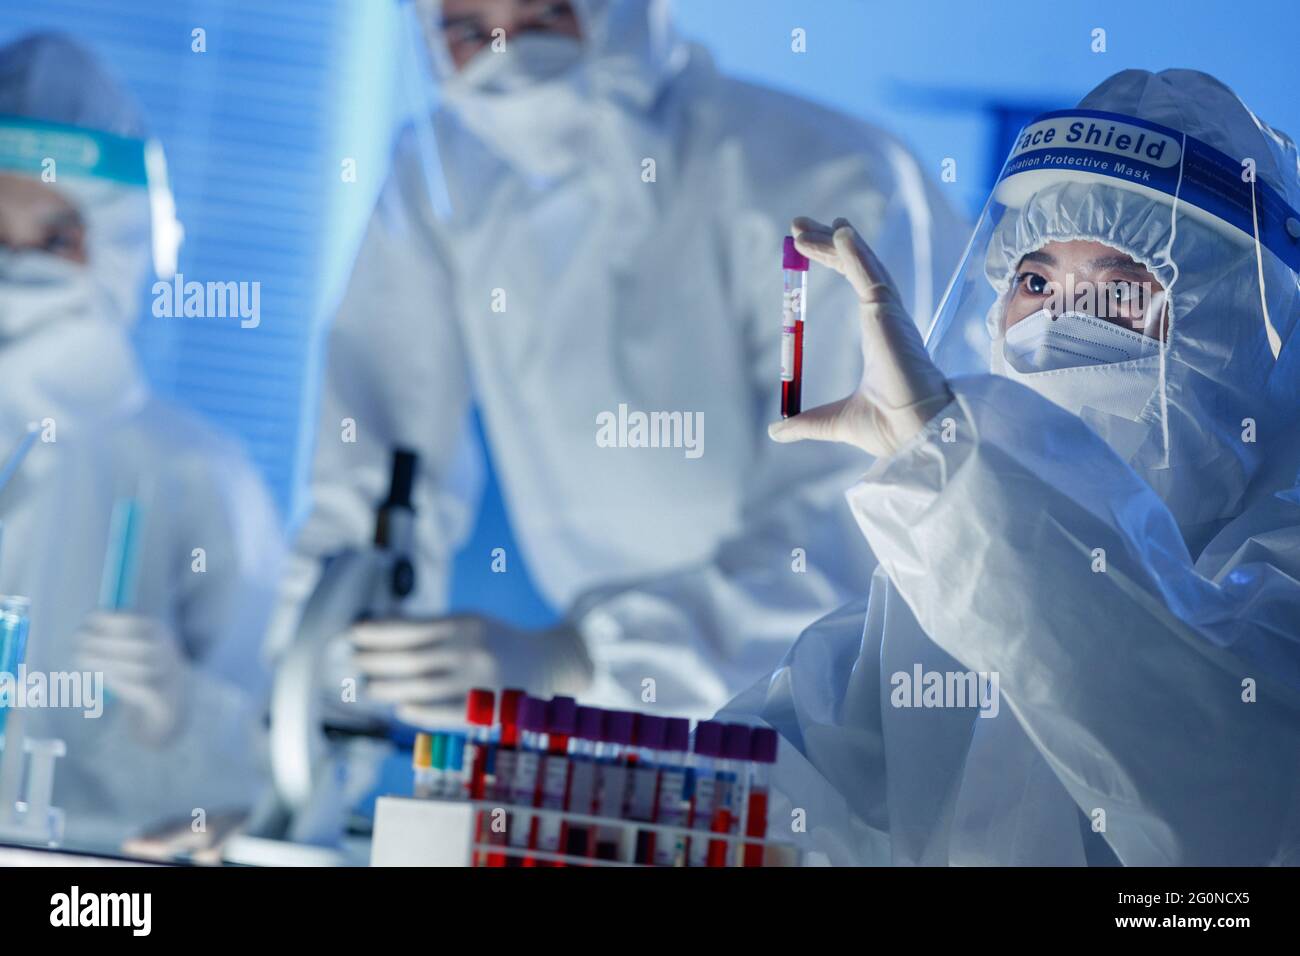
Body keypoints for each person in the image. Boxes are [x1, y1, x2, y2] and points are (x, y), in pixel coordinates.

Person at [284, 0, 966, 724]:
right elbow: (377, 450)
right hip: (605, 702)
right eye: (466, 31)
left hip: (836, 711)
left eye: (545, 16)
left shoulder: (823, 176)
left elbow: (851, 535)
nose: (508, 57)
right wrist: (318, 682)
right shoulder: (442, 175)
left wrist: (585, 662)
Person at [721, 68, 1300, 866]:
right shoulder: (939, 579)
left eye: (1121, 291)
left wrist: (957, 478)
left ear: (1237, 331)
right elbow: (791, 780)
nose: (1059, 324)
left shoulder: (1282, 561)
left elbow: (1233, 790)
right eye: (1034, 281)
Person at [0, 34, 282, 847]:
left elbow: (271, 778)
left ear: (123, 244)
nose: (18, 267)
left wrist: (178, 714)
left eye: (55, 237)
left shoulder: (195, 473)